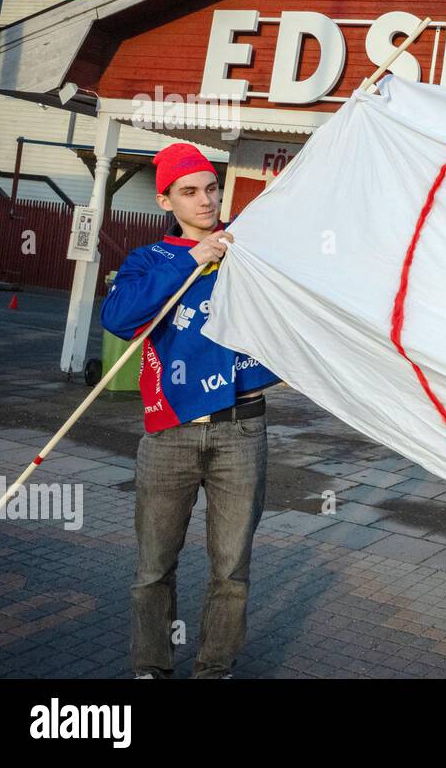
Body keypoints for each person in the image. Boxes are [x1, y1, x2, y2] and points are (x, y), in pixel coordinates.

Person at [101, 143, 279, 679]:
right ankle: (151, 668)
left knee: (231, 568)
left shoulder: (247, 250)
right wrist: (192, 259)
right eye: (190, 192)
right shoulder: (151, 260)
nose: (206, 200)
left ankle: (214, 670)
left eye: (211, 188)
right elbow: (118, 317)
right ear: (165, 201)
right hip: (170, 433)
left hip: (241, 429)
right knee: (153, 567)